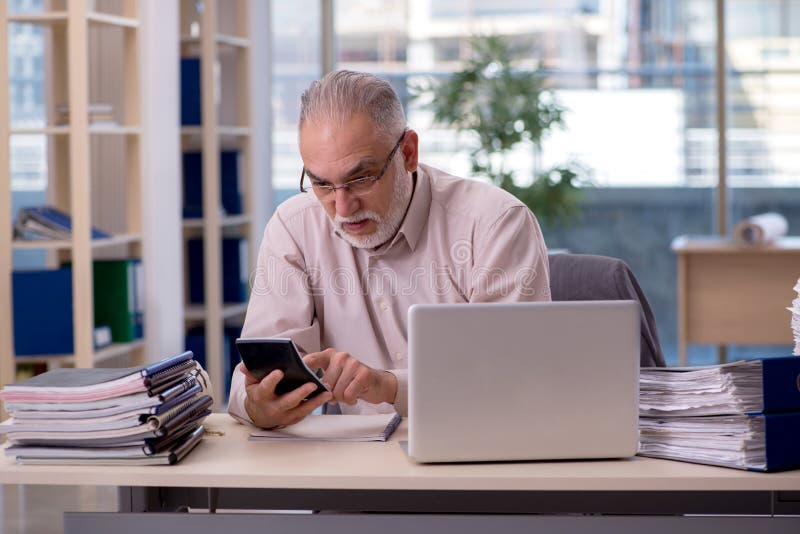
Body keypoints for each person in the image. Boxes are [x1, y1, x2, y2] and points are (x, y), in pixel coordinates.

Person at [228, 70, 551, 429]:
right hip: (354, 472)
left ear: (409, 153)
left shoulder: (494, 223)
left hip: (476, 455)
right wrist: (257, 404)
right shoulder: (294, 227)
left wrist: (387, 386)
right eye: (321, 183)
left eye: (361, 178)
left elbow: (513, 379)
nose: (343, 207)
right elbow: (253, 376)